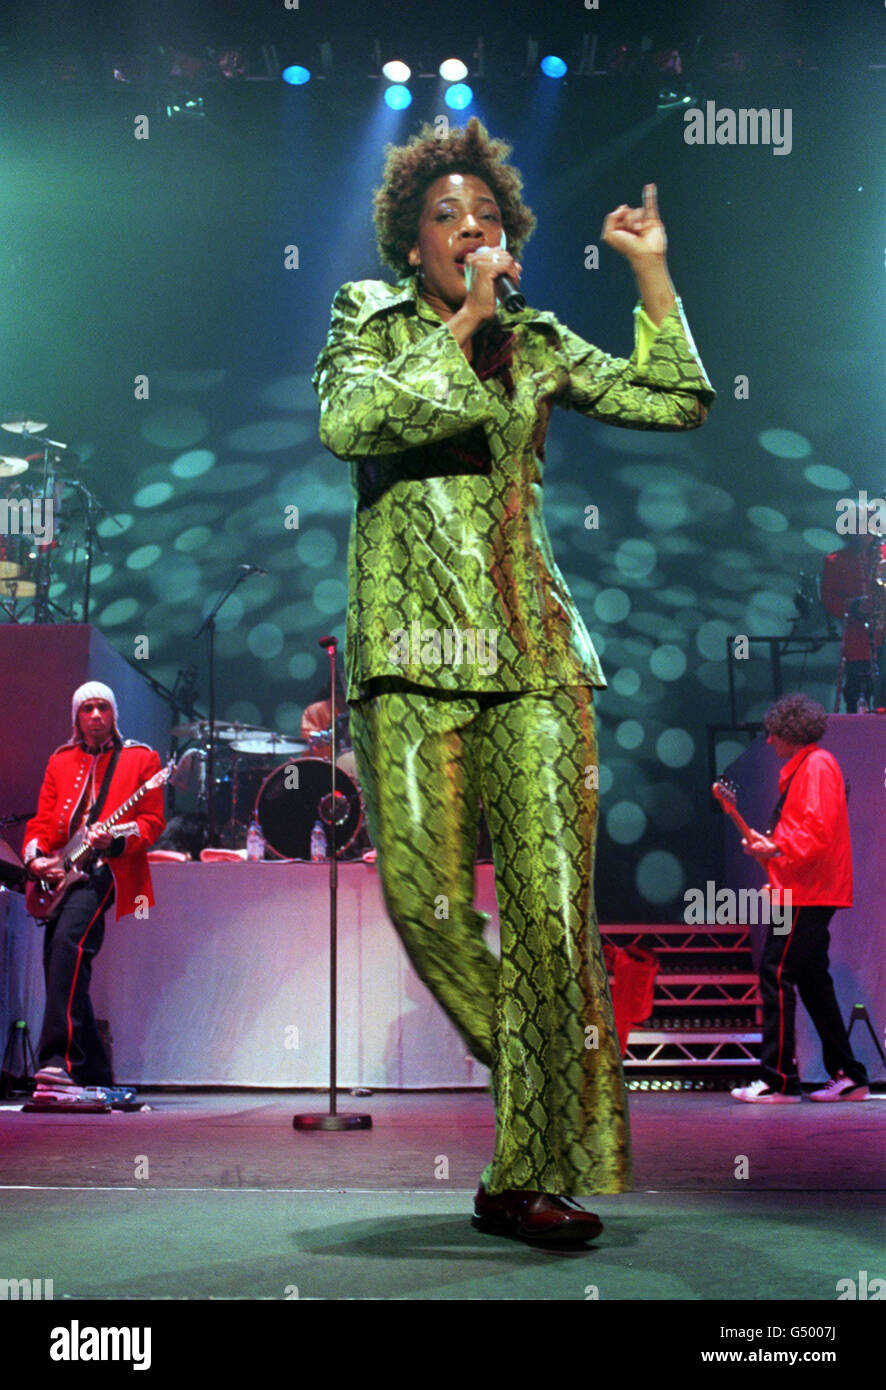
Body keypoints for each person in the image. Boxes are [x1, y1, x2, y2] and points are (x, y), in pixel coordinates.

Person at [312, 118, 715, 1244]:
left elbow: (675, 400)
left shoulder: (537, 340)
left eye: (484, 218)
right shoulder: (369, 318)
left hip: (536, 656)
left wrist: (647, 268)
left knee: (550, 922)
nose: (470, 230)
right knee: (425, 907)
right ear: (410, 242)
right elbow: (354, 423)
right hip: (412, 659)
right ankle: (555, 1094)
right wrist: (466, 325)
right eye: (446, 218)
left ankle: (525, 1168)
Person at [22, 682, 165, 1091]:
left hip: (108, 869)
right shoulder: (60, 760)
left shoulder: (141, 758)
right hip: (62, 871)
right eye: (88, 709)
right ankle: (93, 1069)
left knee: (68, 943)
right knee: (60, 958)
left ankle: (57, 1061)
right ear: (77, 718)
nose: (96, 715)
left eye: (103, 707)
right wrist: (36, 859)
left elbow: (153, 823)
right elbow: (42, 821)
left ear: (114, 714)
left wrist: (114, 840)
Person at [732, 692, 869, 1103]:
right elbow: (805, 831)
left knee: (776, 973)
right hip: (801, 890)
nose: (769, 741)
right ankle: (850, 1076)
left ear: (791, 733)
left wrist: (774, 849)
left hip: (806, 895)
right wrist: (772, 848)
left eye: (774, 733)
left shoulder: (817, 765)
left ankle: (778, 1081)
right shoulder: (806, 769)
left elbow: (817, 832)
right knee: (811, 979)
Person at [821, 525, 886, 711]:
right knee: (857, 697)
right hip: (859, 641)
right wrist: (855, 605)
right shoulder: (835, 561)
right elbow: (829, 599)